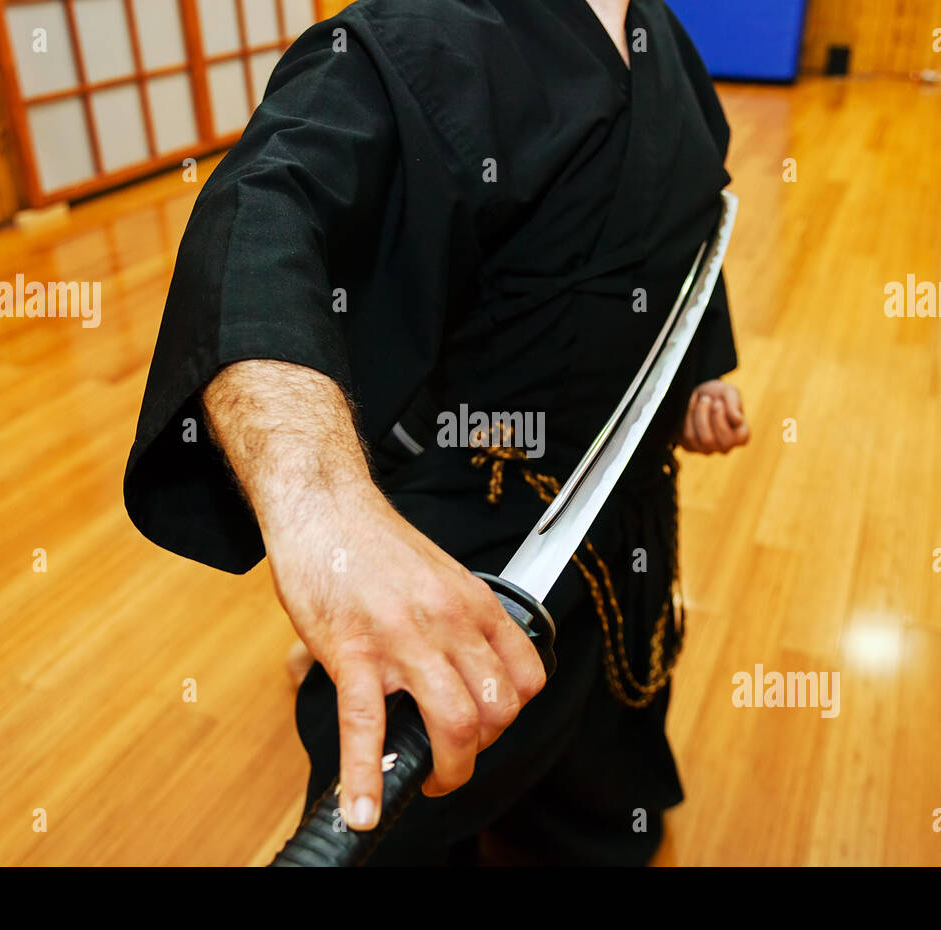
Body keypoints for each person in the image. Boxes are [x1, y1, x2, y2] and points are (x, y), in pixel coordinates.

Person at [124, 0, 749, 865]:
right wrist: (324, 505)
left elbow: (691, 221)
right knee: (415, 801)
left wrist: (696, 373)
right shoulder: (419, 31)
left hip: (622, 487)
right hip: (475, 520)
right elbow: (261, 214)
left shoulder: (660, 33)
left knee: (604, 775)